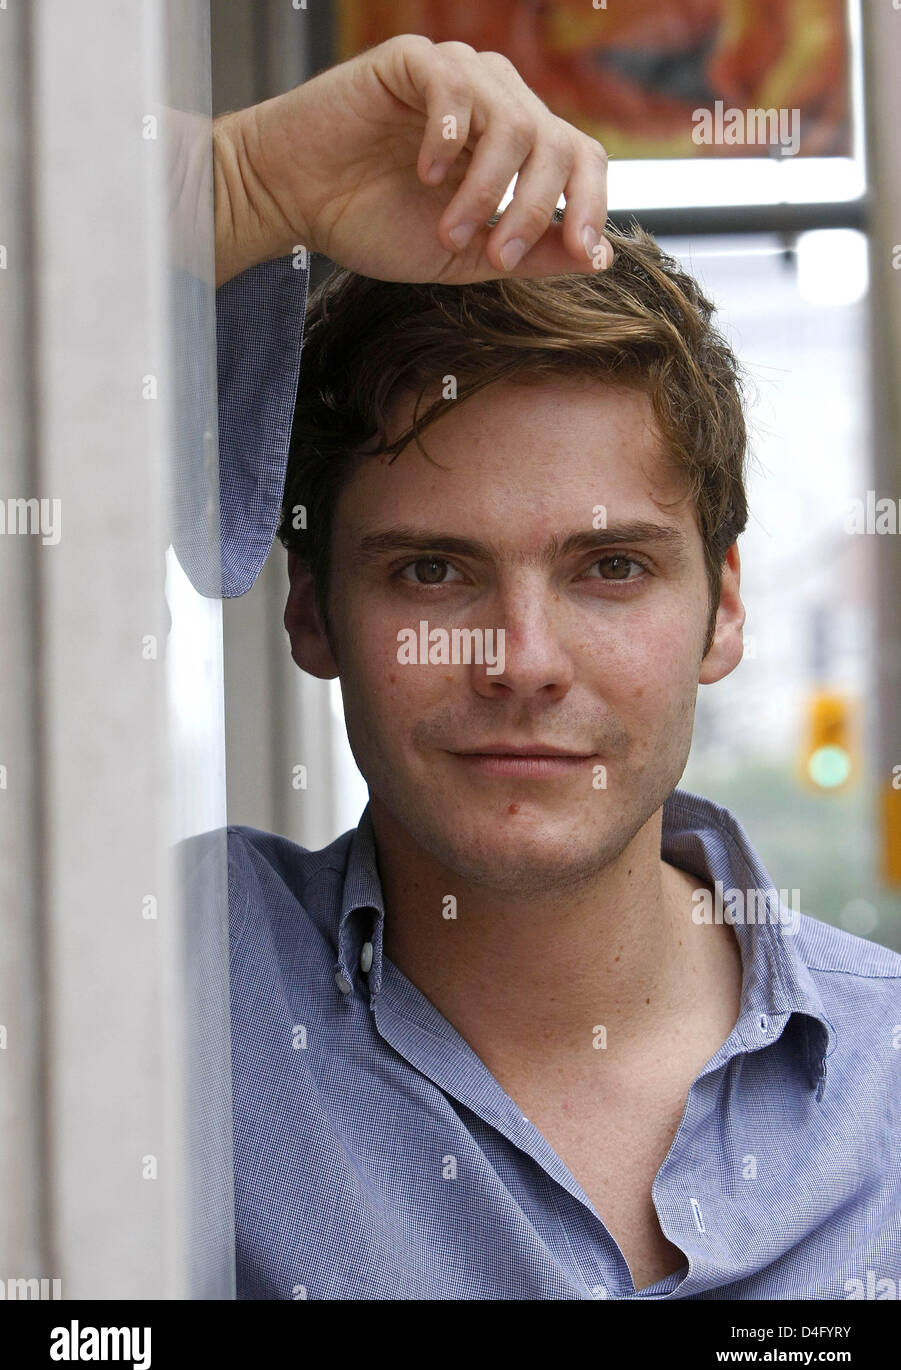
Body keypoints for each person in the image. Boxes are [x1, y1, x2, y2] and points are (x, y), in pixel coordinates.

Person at [209, 34, 901, 1299]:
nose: (521, 661)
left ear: (721, 608)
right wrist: (238, 188)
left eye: (609, 569)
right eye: (431, 570)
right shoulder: (186, 996)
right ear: (308, 609)